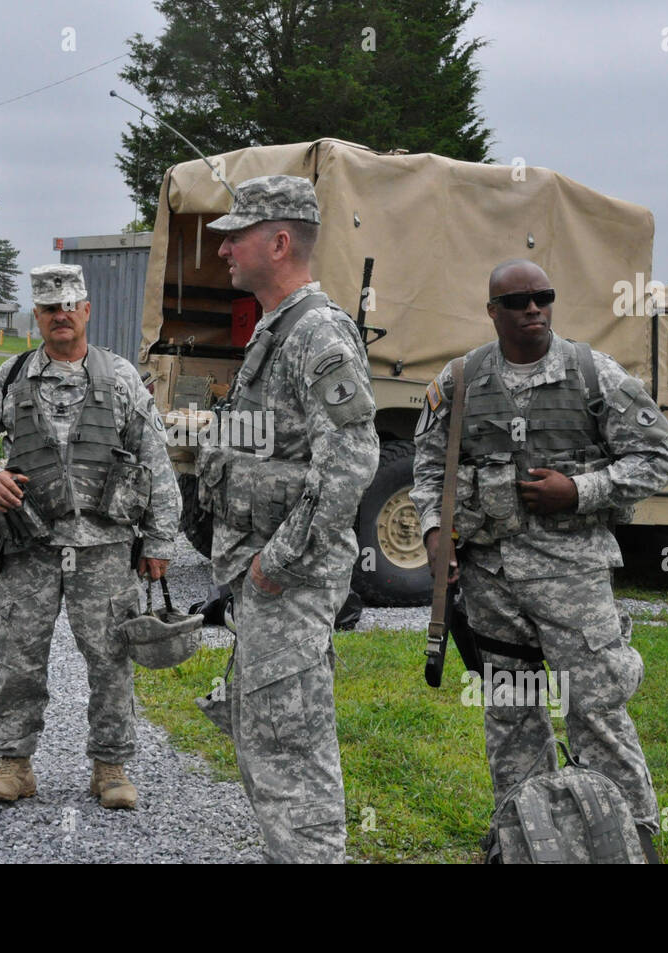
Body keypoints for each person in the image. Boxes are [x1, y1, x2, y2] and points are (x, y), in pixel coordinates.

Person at [410, 258, 668, 861]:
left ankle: (634, 839)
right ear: (494, 312)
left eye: (543, 297)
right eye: (519, 300)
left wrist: (580, 491)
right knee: (510, 710)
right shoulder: (460, 380)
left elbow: (655, 458)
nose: (533, 308)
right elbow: (430, 469)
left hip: (572, 578)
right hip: (491, 580)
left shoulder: (591, 373)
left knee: (598, 708)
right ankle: (526, 835)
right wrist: (434, 531)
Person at [0, 264, 180, 810]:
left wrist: (160, 541)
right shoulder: (10, 377)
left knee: (110, 660)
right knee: (19, 657)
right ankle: (14, 763)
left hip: (105, 549)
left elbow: (156, 460)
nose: (61, 317)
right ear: (39, 315)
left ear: (86, 311)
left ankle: (110, 767)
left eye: (69, 306)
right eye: (50, 308)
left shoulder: (121, 378)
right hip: (28, 547)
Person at [201, 175, 379, 863]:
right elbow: (275, 445)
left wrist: (274, 565)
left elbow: (351, 461)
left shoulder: (319, 333)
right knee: (266, 749)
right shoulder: (278, 330)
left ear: (279, 241)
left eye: (235, 236)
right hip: (264, 584)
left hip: (287, 583)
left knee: (291, 760)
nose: (224, 252)